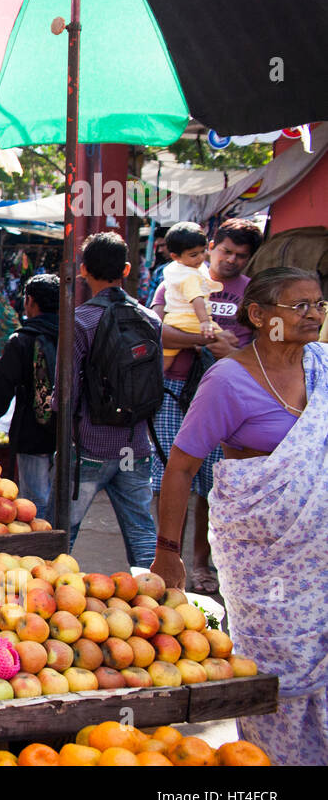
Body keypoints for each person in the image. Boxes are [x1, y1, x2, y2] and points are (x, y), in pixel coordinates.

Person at [151, 267, 328, 765]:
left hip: (322, 556)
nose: (313, 314)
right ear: (258, 314)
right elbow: (182, 468)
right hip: (263, 563)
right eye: (299, 306)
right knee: (275, 673)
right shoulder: (228, 381)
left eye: (318, 304)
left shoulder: (323, 364)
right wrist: (168, 553)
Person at [149, 218, 261, 594]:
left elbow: (259, 350)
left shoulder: (250, 294)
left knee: (210, 485)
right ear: (211, 246)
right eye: (226, 251)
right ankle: (165, 556)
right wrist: (203, 336)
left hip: (224, 397)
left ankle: (200, 562)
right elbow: (156, 330)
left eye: (241, 256)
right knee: (168, 477)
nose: (231, 260)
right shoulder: (178, 278)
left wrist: (233, 351)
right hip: (172, 388)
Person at [66, 232, 161, 568]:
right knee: (142, 531)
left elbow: (68, 393)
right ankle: (156, 600)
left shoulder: (79, 322)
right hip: (134, 446)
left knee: (64, 532)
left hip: (89, 448)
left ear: (83, 269)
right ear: (126, 268)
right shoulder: (151, 321)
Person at [0, 274, 59, 520]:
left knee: (35, 499)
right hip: (70, 430)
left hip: (32, 431)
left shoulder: (23, 339)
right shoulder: (74, 334)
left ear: (30, 301)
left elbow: (1, 385)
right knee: (61, 497)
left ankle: (41, 550)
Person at [157, 222, 224, 360]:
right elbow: (197, 299)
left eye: (203, 251)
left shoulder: (173, 269)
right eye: (194, 255)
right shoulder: (190, 275)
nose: (201, 257)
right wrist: (205, 322)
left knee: (164, 362)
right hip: (191, 320)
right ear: (176, 256)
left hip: (172, 320)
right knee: (226, 339)